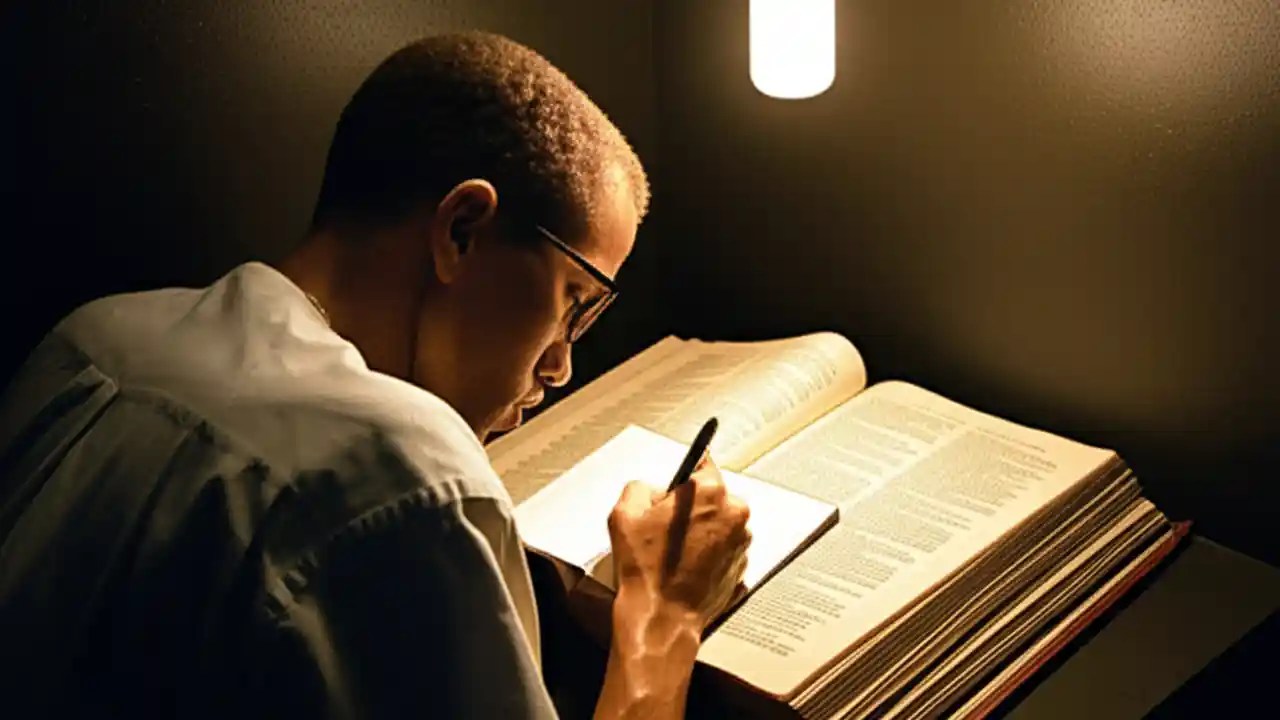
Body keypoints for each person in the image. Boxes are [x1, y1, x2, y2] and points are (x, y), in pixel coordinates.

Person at [0, 31, 751, 718]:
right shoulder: (402, 476)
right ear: (462, 230)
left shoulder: (95, 339)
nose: (559, 364)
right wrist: (662, 618)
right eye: (573, 303)